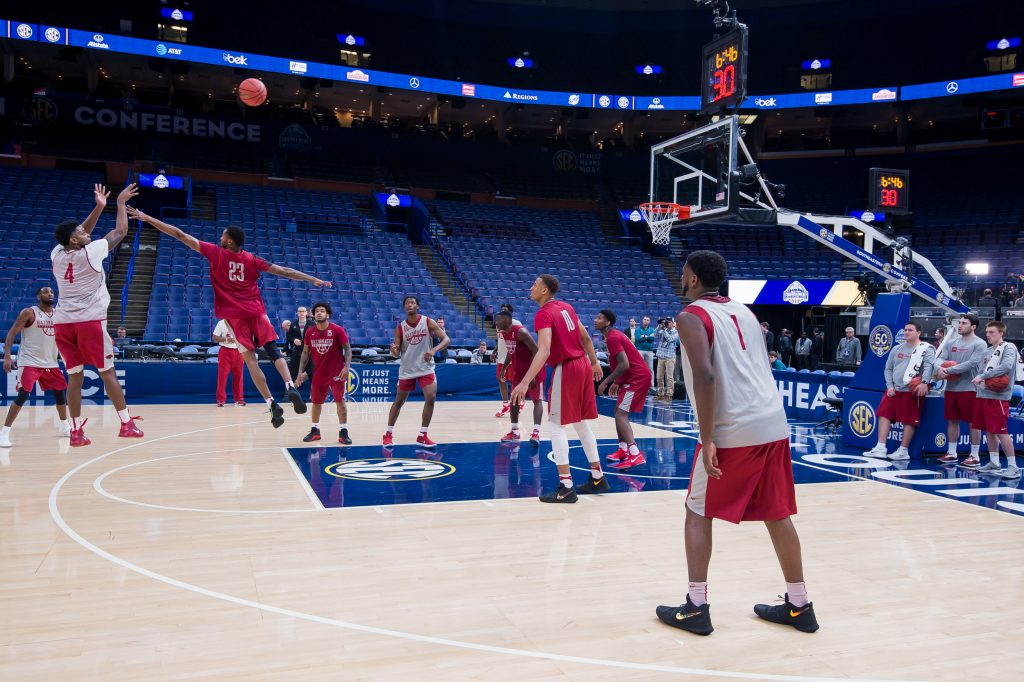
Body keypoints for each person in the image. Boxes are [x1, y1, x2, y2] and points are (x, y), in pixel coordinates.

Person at [656, 250, 818, 636]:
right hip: (772, 423)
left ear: (693, 278)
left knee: (697, 510)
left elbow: (706, 376)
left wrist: (708, 437)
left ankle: (696, 606)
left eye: (684, 273)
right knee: (778, 512)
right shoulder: (744, 310)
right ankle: (799, 605)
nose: (682, 278)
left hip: (733, 428)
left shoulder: (690, 315)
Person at [127, 207, 331, 428]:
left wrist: (148, 217)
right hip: (256, 311)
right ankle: (290, 385)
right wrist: (312, 279)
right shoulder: (252, 259)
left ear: (230, 242)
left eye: (223, 235)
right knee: (273, 350)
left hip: (235, 317)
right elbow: (285, 271)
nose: (220, 237)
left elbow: (180, 234)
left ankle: (271, 402)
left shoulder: (216, 253)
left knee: (251, 361)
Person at [51, 183, 143, 446]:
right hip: (89, 322)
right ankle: (126, 424)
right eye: (80, 231)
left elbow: (77, 235)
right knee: (107, 372)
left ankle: (75, 432)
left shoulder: (56, 254)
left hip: (63, 325)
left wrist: (98, 206)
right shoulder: (91, 253)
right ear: (74, 239)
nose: (85, 230)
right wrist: (120, 204)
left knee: (75, 377)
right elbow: (121, 231)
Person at [510, 274, 607, 503]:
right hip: (582, 363)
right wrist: (593, 362)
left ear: (545, 291)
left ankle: (566, 486)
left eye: (535, 284)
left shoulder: (543, 313)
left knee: (556, 425)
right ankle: (597, 477)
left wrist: (524, 382)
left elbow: (543, 350)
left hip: (567, 367)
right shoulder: (566, 307)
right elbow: (585, 339)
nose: (531, 287)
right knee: (580, 423)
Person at [1, 286, 70, 447]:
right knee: (23, 395)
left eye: (52, 292)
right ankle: (4, 432)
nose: (50, 294)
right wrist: (7, 357)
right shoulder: (29, 312)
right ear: (39, 296)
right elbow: (11, 333)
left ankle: (64, 425)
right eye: (46, 292)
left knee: (60, 393)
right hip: (29, 361)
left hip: (51, 362)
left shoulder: (58, 314)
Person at [863, 322, 935, 461]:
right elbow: (888, 369)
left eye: (910, 330)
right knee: (883, 414)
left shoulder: (926, 349)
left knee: (909, 420)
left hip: (912, 390)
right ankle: (880, 447)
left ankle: (903, 451)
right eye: (905, 330)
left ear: (918, 333)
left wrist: (924, 382)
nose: (906, 332)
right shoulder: (896, 348)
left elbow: (928, 367)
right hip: (894, 389)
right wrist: (890, 386)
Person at [383, 296, 449, 447]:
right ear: (404, 307)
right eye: (407, 303)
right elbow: (396, 353)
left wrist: (433, 350)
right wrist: (393, 350)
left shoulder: (427, 321)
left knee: (431, 398)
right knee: (399, 402)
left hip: (425, 368)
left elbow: (446, 339)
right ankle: (388, 434)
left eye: (412, 302)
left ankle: (422, 435)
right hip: (407, 369)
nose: (409, 305)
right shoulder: (400, 327)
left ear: (418, 306)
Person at [595, 309, 652, 470]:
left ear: (607, 323)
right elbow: (624, 364)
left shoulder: (613, 337)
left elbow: (625, 364)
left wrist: (606, 382)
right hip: (631, 377)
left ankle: (635, 454)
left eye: (599, 318)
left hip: (636, 379)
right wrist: (617, 382)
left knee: (621, 414)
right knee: (618, 412)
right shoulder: (613, 336)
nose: (595, 320)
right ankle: (623, 449)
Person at [295, 301, 353, 445]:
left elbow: (347, 349)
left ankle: (343, 431)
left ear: (328, 314)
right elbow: (305, 352)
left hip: (336, 373)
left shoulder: (337, 330)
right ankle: (315, 431)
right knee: (316, 403)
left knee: (341, 401)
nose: (319, 313)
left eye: (322, 311)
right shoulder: (310, 332)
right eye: (317, 311)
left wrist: (346, 367)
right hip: (318, 374)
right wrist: (300, 371)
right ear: (313, 315)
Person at [933, 314, 986, 466]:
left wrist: (948, 371)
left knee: (973, 423)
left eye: (964, 323)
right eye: (960, 322)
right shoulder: (951, 342)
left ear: (973, 327)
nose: (960, 325)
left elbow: (972, 363)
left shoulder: (980, 343)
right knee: (952, 421)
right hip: (951, 388)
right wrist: (941, 369)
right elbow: (939, 360)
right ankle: (951, 453)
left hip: (970, 388)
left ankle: (975, 455)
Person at [969, 321, 1020, 478]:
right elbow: (979, 372)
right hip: (983, 395)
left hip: (999, 397)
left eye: (992, 332)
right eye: (987, 332)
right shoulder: (987, 351)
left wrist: (983, 377)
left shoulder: (1008, 347)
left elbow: (1006, 366)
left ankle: (1013, 467)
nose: (988, 335)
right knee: (989, 431)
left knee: (1001, 431)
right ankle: (994, 462)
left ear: (1001, 333)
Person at [494, 311, 543, 446]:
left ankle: (536, 433)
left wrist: (532, 374)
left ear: (507, 320)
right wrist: (504, 368)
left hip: (534, 370)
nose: (496, 323)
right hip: (519, 372)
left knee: (536, 400)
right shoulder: (504, 333)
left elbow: (536, 350)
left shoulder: (521, 332)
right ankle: (515, 432)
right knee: (514, 400)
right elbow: (511, 351)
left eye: (498, 320)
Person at [493, 303, 521, 417]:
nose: (503, 312)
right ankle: (505, 405)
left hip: (513, 358)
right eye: (501, 310)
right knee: (501, 380)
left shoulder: (516, 324)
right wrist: (495, 350)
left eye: (505, 310)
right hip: (501, 357)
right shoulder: (498, 324)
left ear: (510, 313)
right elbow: (500, 339)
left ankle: (517, 404)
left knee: (515, 382)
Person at [212, 319, 246, 407]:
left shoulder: (241, 322)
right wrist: (226, 339)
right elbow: (215, 337)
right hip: (225, 351)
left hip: (239, 351)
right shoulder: (222, 322)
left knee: (239, 377)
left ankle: (239, 399)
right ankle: (220, 400)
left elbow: (246, 336)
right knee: (222, 377)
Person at [286, 306, 314, 389]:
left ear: (306, 313)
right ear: (297, 313)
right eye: (300, 311)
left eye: (303, 311)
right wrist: (294, 340)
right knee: (292, 374)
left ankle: (315, 395)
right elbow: (289, 338)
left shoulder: (312, 324)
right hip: (297, 352)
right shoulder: (293, 324)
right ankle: (289, 395)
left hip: (309, 353)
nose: (302, 313)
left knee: (312, 374)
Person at [654, 318, 680, 399]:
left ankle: (669, 394)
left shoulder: (676, 332)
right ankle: (660, 394)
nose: (667, 324)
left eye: (669, 322)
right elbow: (655, 334)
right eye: (666, 322)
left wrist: (664, 329)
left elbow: (670, 339)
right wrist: (659, 326)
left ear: (673, 323)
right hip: (661, 356)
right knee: (659, 377)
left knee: (669, 377)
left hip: (670, 357)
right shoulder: (662, 330)